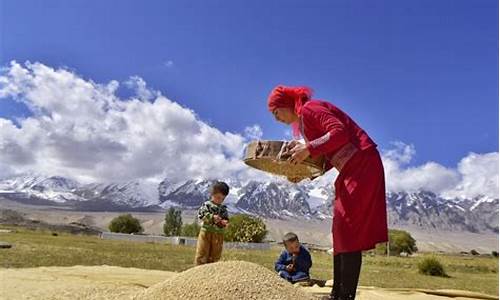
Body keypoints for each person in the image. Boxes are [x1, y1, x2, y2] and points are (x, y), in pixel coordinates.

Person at [267, 85, 388, 300]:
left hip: (363, 164)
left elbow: (339, 132)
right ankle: (337, 294)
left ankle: (345, 296)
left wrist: (309, 148)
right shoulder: (305, 123)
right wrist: (305, 172)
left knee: (349, 231)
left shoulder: (310, 109)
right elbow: (328, 156)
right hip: (350, 168)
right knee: (340, 230)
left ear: (286, 105)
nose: (276, 119)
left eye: (276, 113)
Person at [194, 181, 230, 265]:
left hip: (219, 235)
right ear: (212, 194)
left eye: (223, 199)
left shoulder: (223, 209)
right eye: (218, 197)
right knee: (202, 253)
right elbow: (201, 214)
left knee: (215, 256)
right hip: (206, 233)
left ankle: (212, 272)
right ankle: (199, 271)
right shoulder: (207, 205)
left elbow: (226, 219)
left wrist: (225, 223)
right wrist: (211, 217)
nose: (220, 201)